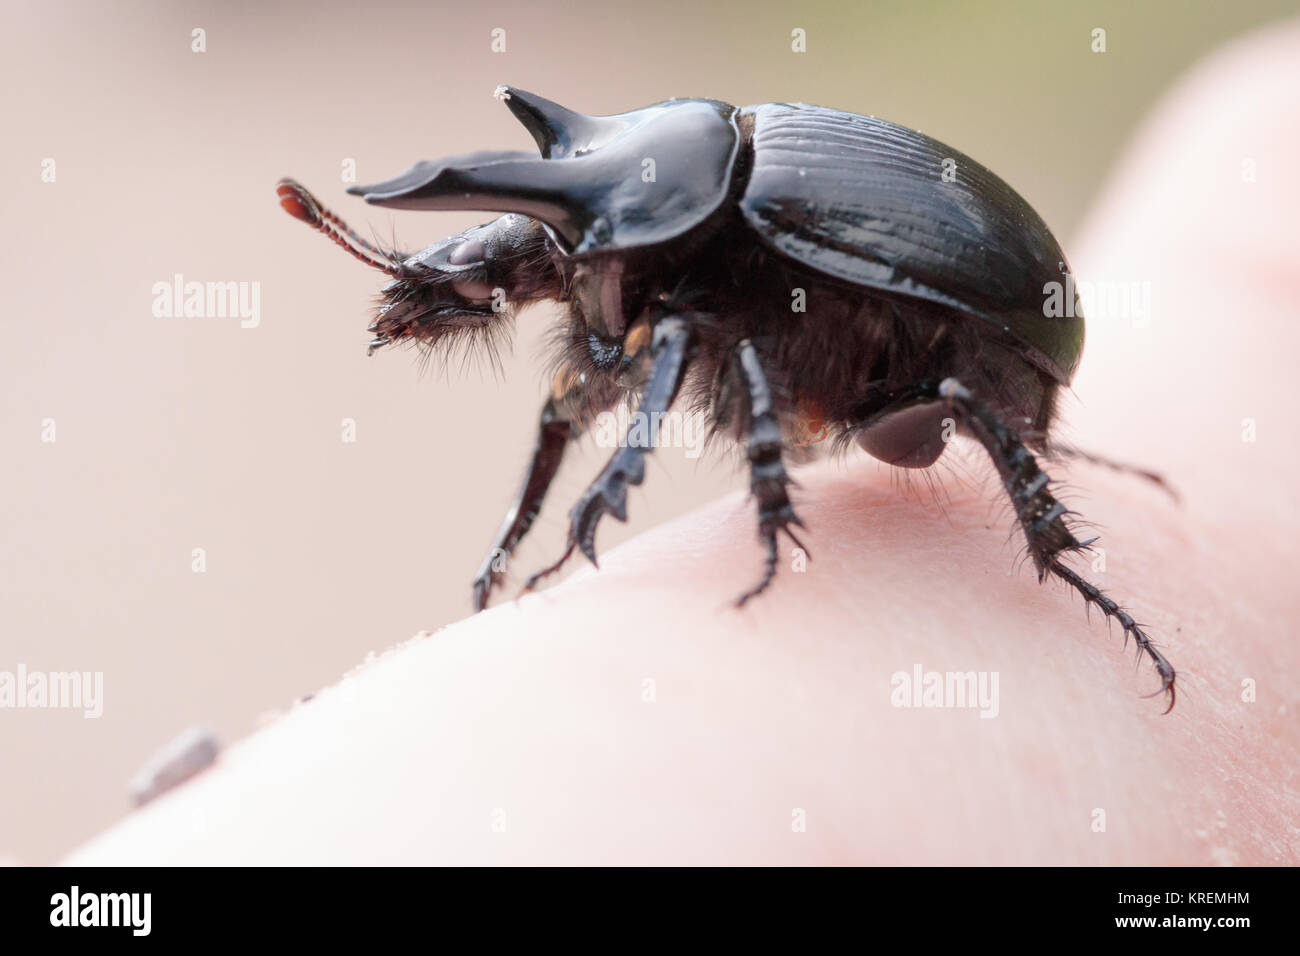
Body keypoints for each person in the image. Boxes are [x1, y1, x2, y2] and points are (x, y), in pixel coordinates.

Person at [68, 22, 1300, 865]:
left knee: (929, 396)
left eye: (550, 255)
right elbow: (585, 384)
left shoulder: (738, 235)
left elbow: (714, 362)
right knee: (606, 378)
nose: (528, 269)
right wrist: (523, 527)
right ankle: (538, 535)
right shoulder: (682, 244)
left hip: (978, 341)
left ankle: (1057, 552)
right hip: (911, 338)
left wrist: (712, 506)